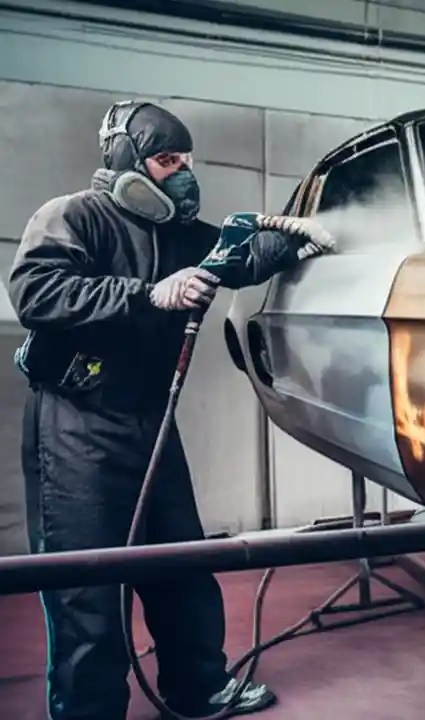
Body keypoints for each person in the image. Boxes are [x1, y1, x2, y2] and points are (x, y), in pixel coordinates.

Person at [6, 100, 315, 719]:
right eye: (168, 160)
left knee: (182, 561)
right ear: (127, 162)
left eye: (187, 162)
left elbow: (239, 258)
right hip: (77, 424)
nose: (182, 174)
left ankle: (197, 687)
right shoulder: (73, 216)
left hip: (150, 421)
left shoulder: (182, 235)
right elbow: (35, 291)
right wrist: (148, 293)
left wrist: (295, 237)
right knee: (88, 585)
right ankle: (89, 711)